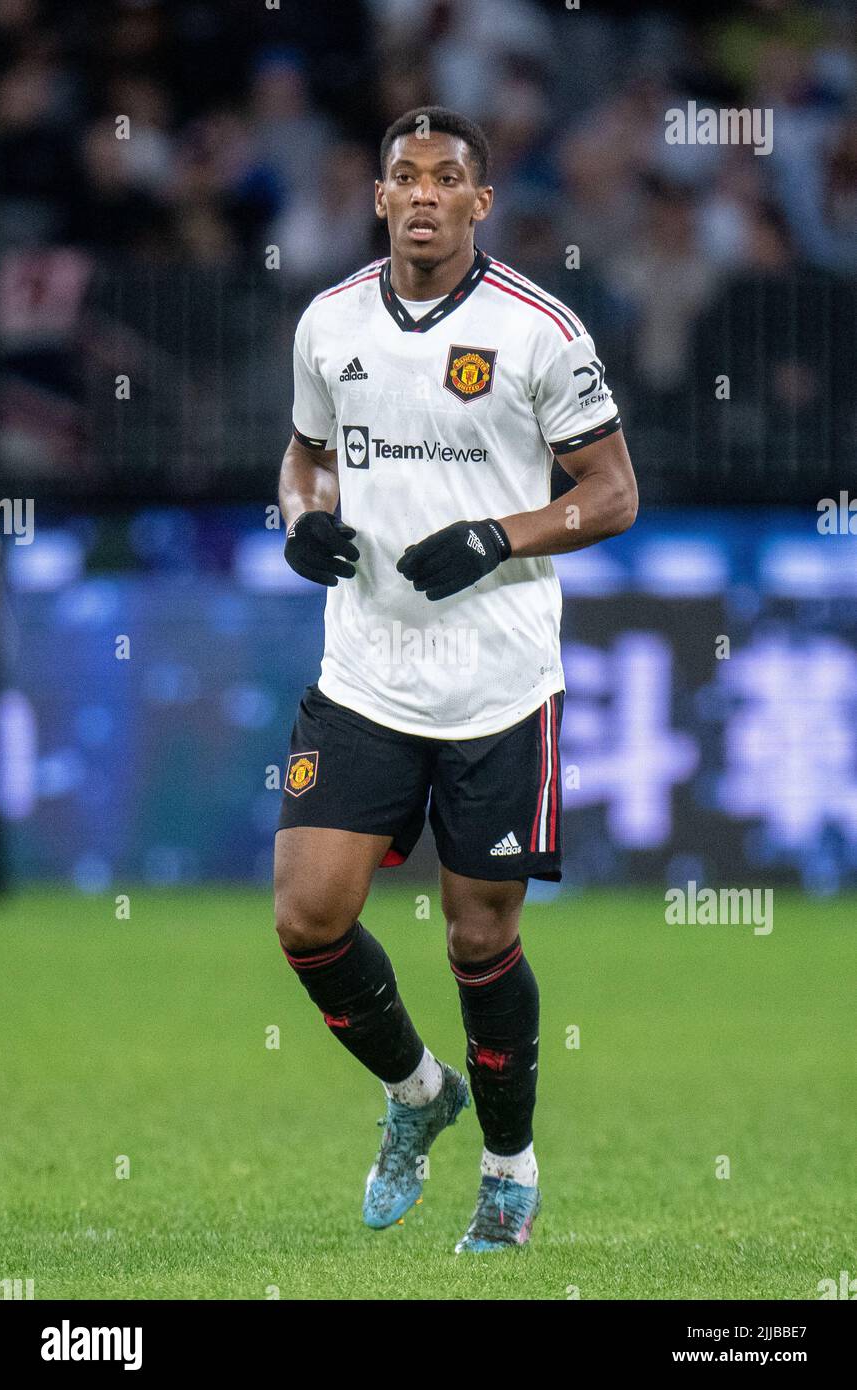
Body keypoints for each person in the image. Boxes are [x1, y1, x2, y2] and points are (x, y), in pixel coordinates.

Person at [274, 105, 637, 1253]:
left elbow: (613, 491)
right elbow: (304, 456)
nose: (422, 194)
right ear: (377, 197)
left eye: (446, 178)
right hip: (363, 672)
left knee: (477, 940)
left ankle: (508, 1170)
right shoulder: (328, 323)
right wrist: (299, 520)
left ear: (482, 202)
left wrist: (499, 536)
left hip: (496, 687)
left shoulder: (537, 331)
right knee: (306, 917)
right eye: (402, 177)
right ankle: (421, 1091)